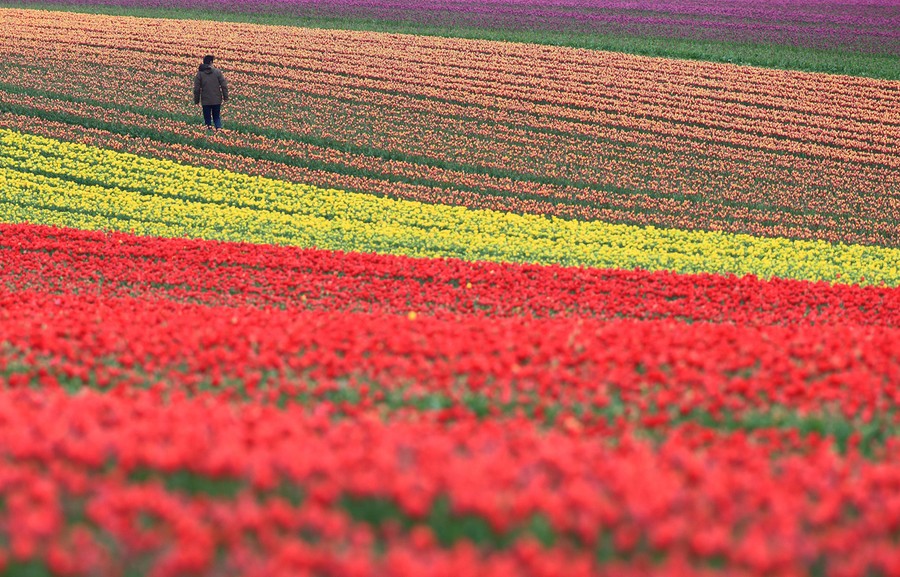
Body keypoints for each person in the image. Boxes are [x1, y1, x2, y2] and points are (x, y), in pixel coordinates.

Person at [193, 55, 228, 132]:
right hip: (217, 99)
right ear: (211, 62)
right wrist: (225, 97)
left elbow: (196, 89)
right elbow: (224, 85)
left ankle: (209, 131)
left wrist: (196, 100)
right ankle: (219, 130)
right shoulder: (217, 72)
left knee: (207, 118)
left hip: (205, 100)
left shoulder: (200, 74)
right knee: (216, 117)